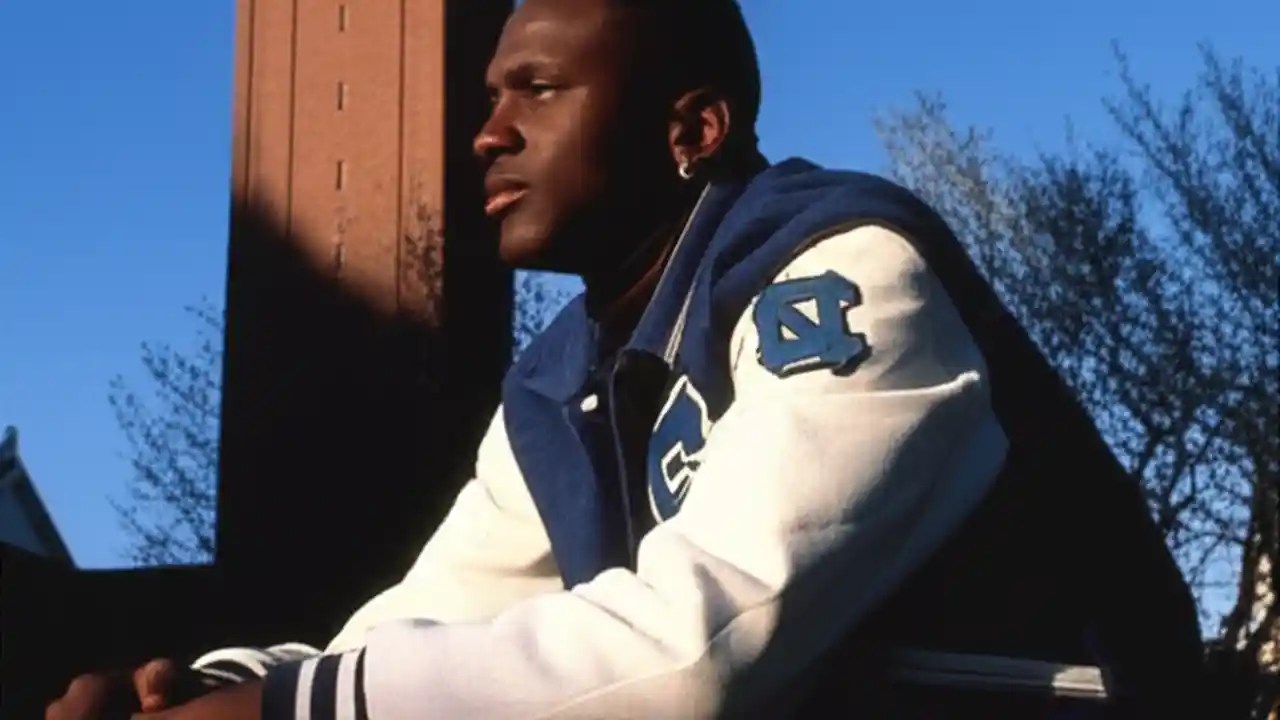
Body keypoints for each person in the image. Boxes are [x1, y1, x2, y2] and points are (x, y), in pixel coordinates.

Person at [46, 0, 1205, 718]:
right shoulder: (559, 383)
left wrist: (287, 714)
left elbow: (696, 649)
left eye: (536, 90)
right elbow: (417, 639)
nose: (484, 132)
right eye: (491, 94)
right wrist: (216, 683)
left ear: (691, 130)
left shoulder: (842, 272)